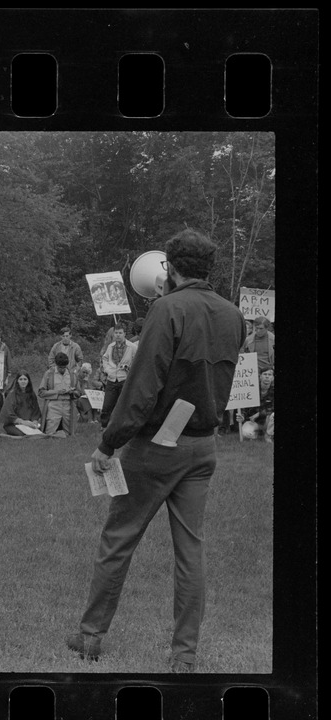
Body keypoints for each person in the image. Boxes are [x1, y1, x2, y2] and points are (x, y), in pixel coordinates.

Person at [67, 228, 247, 673]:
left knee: (119, 539)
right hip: (204, 445)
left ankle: (91, 637)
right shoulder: (234, 315)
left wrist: (109, 443)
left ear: (170, 266)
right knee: (191, 550)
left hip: (156, 447)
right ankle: (184, 656)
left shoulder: (166, 309)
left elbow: (142, 387)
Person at [99, 323, 137, 428]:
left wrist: (128, 368)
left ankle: (121, 426)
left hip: (124, 378)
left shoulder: (132, 347)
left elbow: (136, 362)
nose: (118, 335)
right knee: (107, 404)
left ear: (125, 334)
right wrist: (108, 370)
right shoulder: (110, 346)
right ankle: (104, 425)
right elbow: (105, 359)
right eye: (116, 333)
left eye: (120, 333)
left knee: (123, 405)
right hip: (112, 379)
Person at [38, 352, 79, 435]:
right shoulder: (49, 374)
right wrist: (57, 392)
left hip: (68, 405)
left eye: (64, 367)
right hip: (54, 405)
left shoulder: (72, 375)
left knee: (70, 434)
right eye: (60, 367)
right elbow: (41, 392)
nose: (62, 369)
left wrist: (72, 392)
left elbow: (79, 392)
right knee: (49, 433)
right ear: (56, 364)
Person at [236, 368, 275, 439]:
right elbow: (245, 407)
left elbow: (272, 409)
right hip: (253, 422)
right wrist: (242, 416)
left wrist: (259, 414)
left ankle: (268, 435)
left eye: (269, 374)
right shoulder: (252, 390)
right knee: (246, 433)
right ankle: (258, 433)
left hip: (267, 421)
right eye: (265, 374)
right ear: (260, 377)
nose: (267, 376)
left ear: (272, 378)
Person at [0, 371, 42, 435]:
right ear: (17, 381)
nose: (23, 381)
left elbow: (35, 411)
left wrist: (34, 422)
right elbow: (8, 413)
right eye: (21, 379)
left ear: (28, 381)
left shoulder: (32, 394)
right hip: (14, 424)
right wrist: (22, 422)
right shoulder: (12, 395)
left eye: (25, 379)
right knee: (21, 434)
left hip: (29, 424)